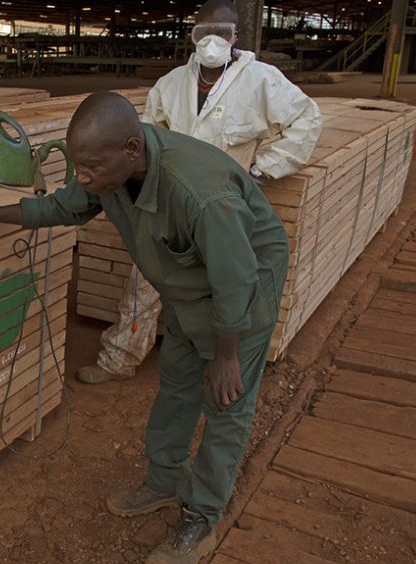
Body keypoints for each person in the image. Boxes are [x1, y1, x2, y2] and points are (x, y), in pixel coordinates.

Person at [0, 91, 289, 564]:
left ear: (132, 150)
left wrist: (227, 355)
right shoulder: (109, 169)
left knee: (225, 405)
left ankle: (200, 519)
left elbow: (236, 280)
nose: (84, 177)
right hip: (186, 293)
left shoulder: (200, 192)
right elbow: (63, 207)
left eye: (91, 168)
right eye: (79, 166)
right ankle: (164, 482)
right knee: (177, 383)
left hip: (242, 298)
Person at [75, 0, 321, 385]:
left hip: (221, 208)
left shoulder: (263, 81)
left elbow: (306, 121)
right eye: (204, 33)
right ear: (193, 35)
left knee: (222, 285)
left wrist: (262, 170)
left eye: (221, 33)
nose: (212, 42)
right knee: (145, 278)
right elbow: (144, 136)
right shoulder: (171, 85)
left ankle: (217, 361)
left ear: (235, 37)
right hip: (167, 202)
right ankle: (119, 357)